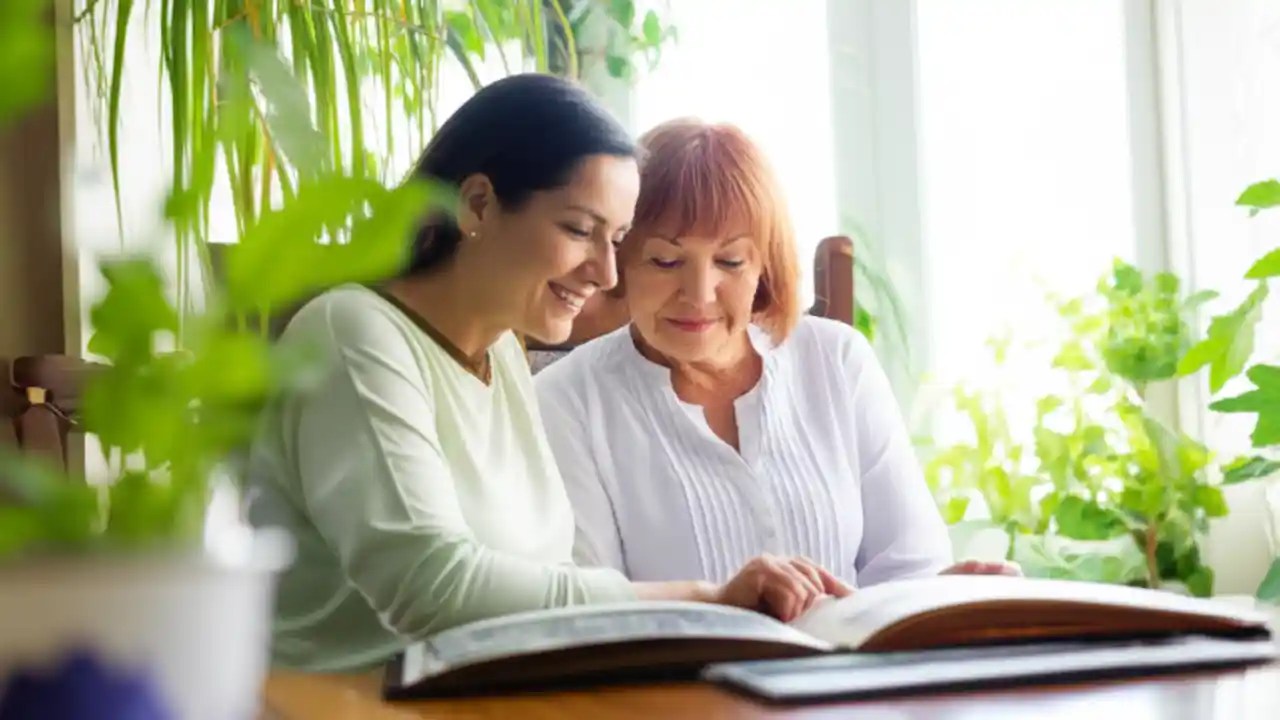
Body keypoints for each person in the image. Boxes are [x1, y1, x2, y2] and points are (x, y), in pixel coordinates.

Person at [246, 77, 850, 673]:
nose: (607, 273)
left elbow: (545, 579)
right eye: (580, 230)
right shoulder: (353, 332)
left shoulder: (501, 352)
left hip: (489, 695)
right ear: (477, 204)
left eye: (617, 240)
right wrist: (702, 599)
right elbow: (431, 589)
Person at [535, 118, 1018, 588]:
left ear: (763, 266)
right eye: (665, 260)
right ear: (621, 258)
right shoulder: (565, 401)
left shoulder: (837, 360)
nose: (699, 294)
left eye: (730, 261)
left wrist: (944, 594)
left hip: (858, 647)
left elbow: (910, 566)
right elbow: (593, 608)